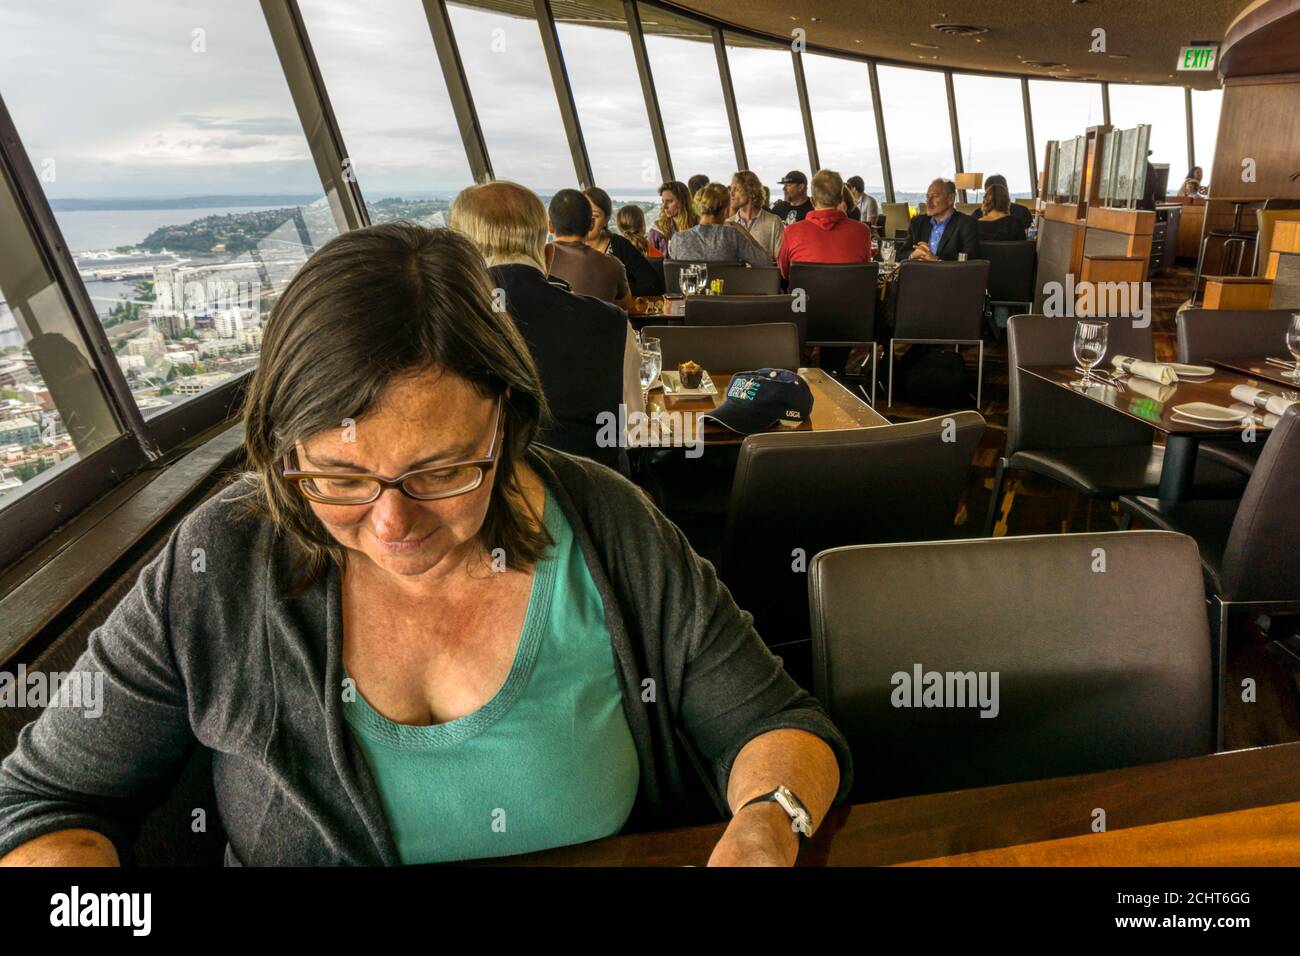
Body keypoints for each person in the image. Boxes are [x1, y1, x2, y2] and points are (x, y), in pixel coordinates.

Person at [0, 222, 851, 867]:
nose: (391, 525)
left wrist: (767, 823)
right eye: (338, 477)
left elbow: (776, 725)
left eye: (441, 472)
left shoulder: (609, 524)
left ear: (506, 422)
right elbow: (43, 802)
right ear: (283, 447)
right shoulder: (219, 561)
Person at [451, 180, 642, 474]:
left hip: (479, 497)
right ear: (548, 255)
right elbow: (633, 431)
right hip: (588, 494)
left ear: (459, 259)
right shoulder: (612, 323)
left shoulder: (437, 327)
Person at [776, 169, 876, 281]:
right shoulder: (862, 231)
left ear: (812, 202)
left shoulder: (791, 232)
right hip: (850, 292)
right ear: (841, 199)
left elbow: (784, 273)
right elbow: (864, 272)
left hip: (805, 292)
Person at [546, 188, 633, 309]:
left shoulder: (533, 262)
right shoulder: (613, 266)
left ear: (550, 226)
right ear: (591, 224)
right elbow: (627, 305)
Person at [667, 182, 770, 268]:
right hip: (727, 286)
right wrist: (746, 234)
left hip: (692, 287)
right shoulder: (732, 235)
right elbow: (765, 263)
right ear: (725, 210)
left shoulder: (678, 239)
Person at [583, 187, 664, 296]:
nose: (589, 221)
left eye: (595, 216)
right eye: (583, 214)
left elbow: (654, 286)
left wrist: (615, 289)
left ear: (606, 220)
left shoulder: (620, 246)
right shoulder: (567, 248)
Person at [900, 178, 980, 261]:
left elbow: (970, 263)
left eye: (935, 196)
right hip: (917, 269)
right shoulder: (917, 222)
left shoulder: (967, 224)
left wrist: (936, 260)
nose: (928, 202)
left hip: (947, 270)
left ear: (951, 198)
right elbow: (900, 255)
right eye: (927, 197)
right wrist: (912, 255)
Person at [726, 170, 784, 261]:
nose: (731, 194)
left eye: (736, 189)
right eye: (731, 189)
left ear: (750, 191)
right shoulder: (727, 224)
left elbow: (780, 262)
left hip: (764, 270)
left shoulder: (774, 222)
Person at [647, 180, 697, 257]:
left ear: (683, 201)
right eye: (663, 201)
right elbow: (651, 261)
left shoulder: (699, 226)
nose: (664, 206)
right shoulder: (656, 232)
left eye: (669, 201)